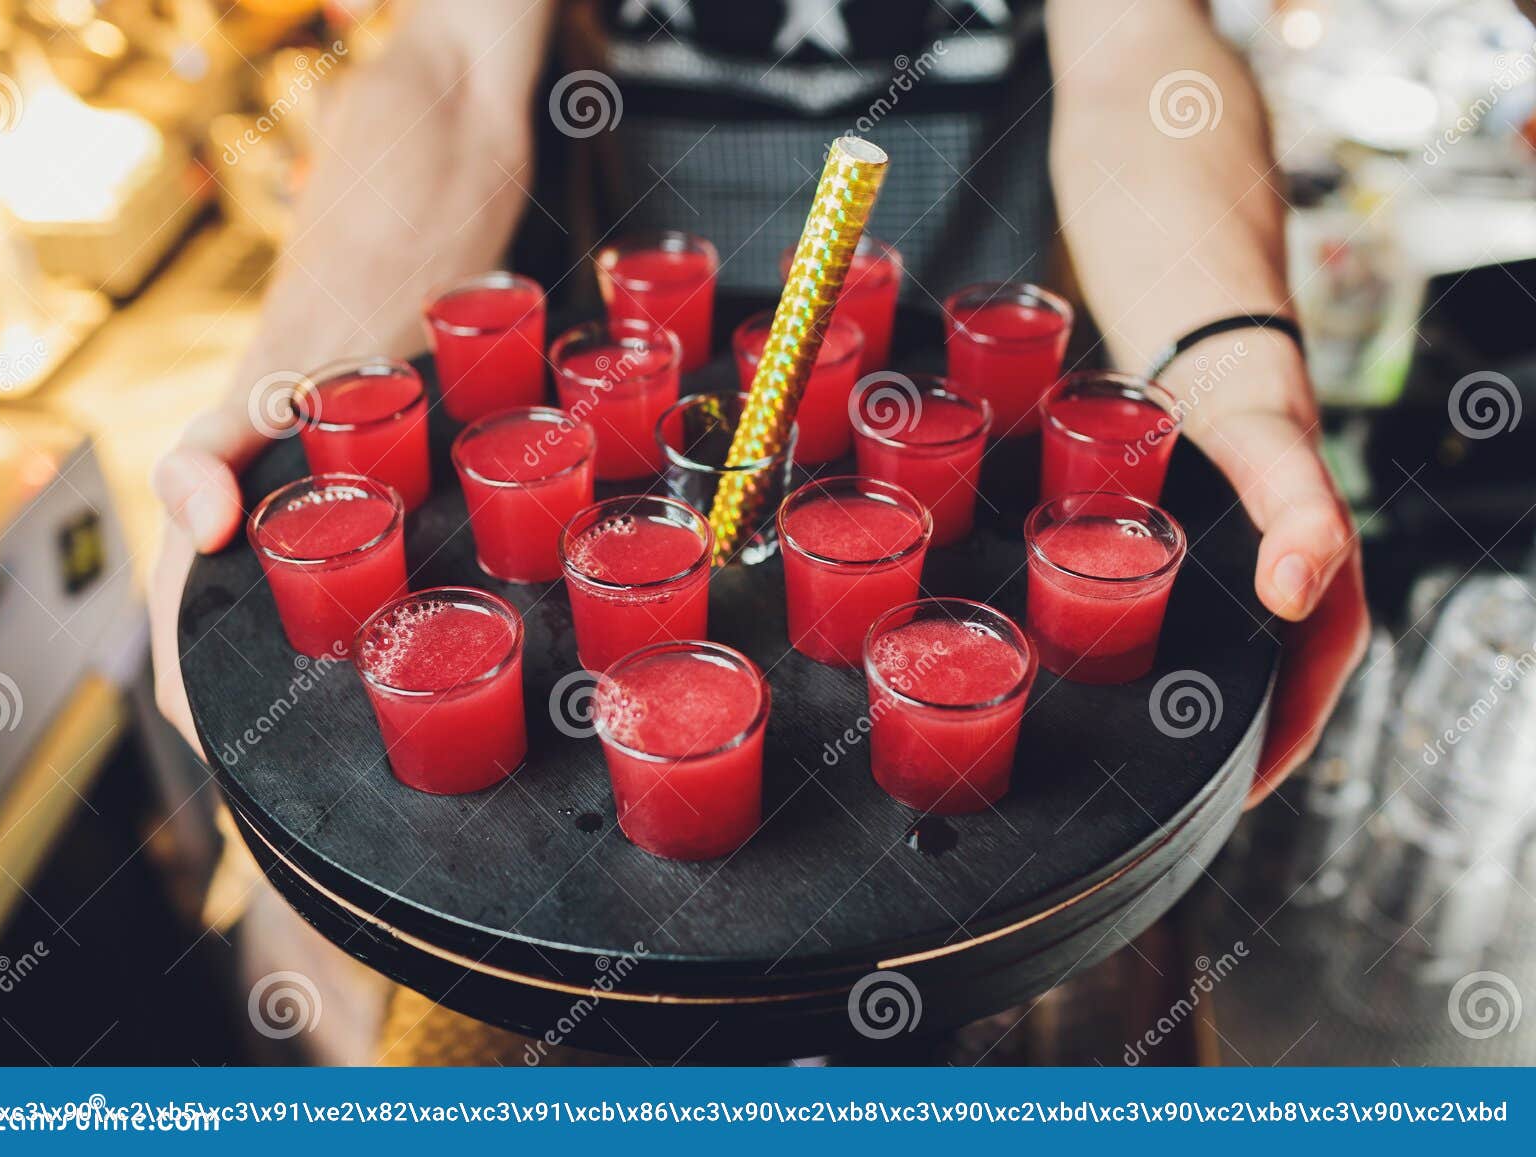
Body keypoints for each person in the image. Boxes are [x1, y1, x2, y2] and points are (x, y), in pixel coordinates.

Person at [152, 0, 1365, 816]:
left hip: (971, 393)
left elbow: (1143, 54)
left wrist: (1234, 368)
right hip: (633, 395)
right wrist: (297, 383)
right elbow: (454, 69)